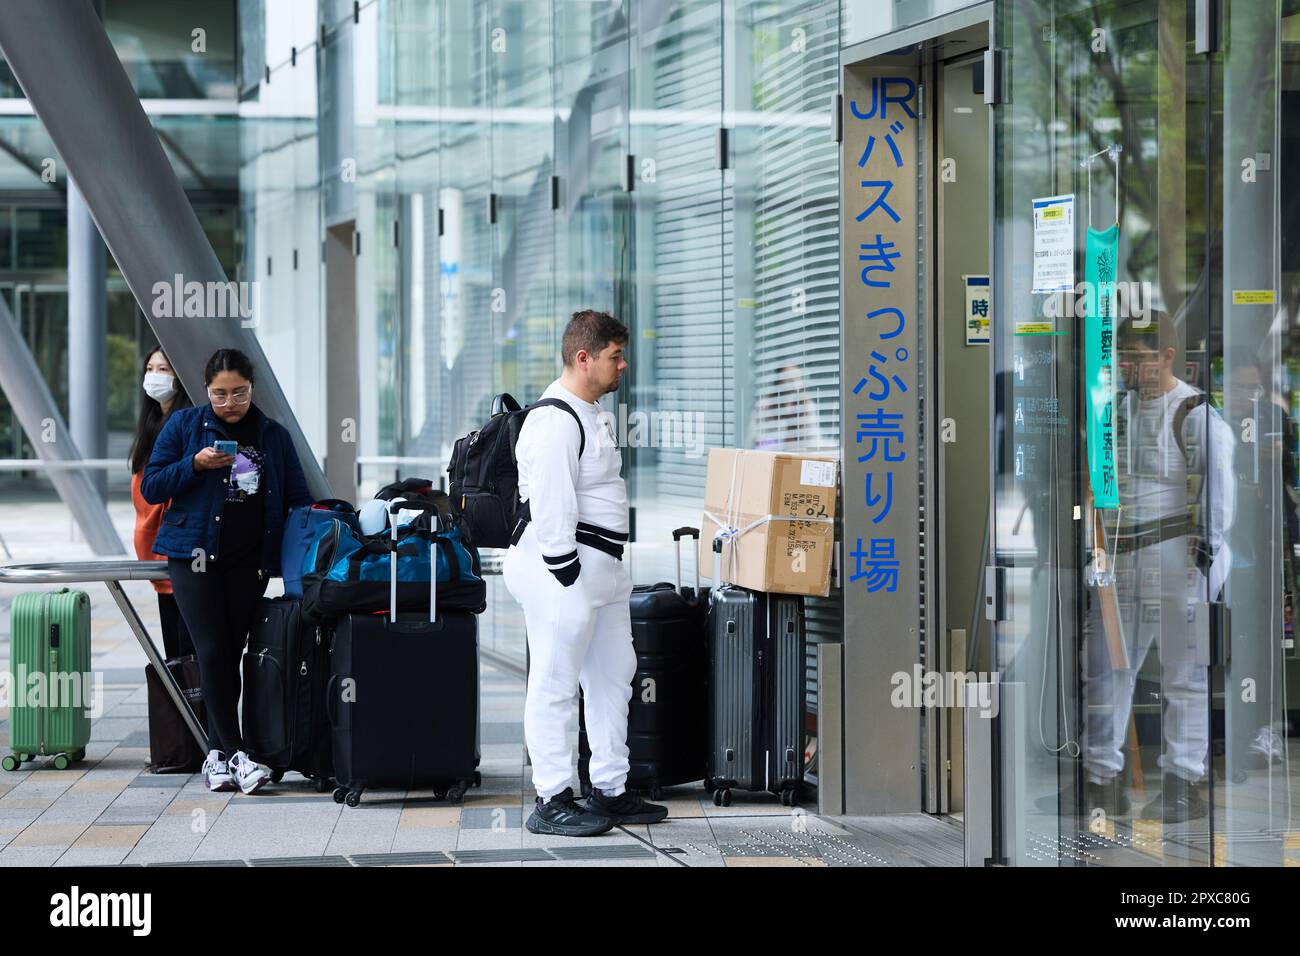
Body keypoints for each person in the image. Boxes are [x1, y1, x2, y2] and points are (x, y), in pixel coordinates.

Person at [504, 310, 668, 836]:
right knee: (554, 682)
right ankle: (552, 797)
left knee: (612, 678)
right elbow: (552, 507)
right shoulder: (553, 419)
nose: (623, 365)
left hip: (602, 572)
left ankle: (610, 789)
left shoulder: (589, 411)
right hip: (563, 569)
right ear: (584, 358)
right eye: (615, 356)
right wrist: (566, 574)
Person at [1083, 310, 1236, 824]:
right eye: (1123, 355)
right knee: (1106, 673)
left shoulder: (1194, 412)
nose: (1129, 365)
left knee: (1184, 677)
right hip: (1121, 558)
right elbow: (1098, 491)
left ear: (1168, 355)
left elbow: (1216, 500)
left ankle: (1183, 781)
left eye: (1140, 356)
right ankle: (1101, 781)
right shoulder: (1116, 412)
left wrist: (1203, 567)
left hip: (1177, 556)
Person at [142, 348, 312, 794]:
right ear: (205, 390)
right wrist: (194, 464)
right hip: (192, 557)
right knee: (213, 651)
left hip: (248, 563)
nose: (229, 403)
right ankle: (238, 753)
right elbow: (154, 484)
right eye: (219, 394)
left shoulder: (272, 436)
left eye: (238, 392)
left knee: (230, 655)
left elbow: (296, 495)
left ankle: (217, 758)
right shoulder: (185, 426)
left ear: (252, 388)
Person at [127, 346, 193, 659]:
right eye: (150, 369)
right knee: (176, 655)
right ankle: (183, 707)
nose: (154, 377)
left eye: (163, 369)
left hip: (177, 553)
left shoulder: (183, 424)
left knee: (187, 651)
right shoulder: (153, 423)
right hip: (156, 555)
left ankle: (194, 709)